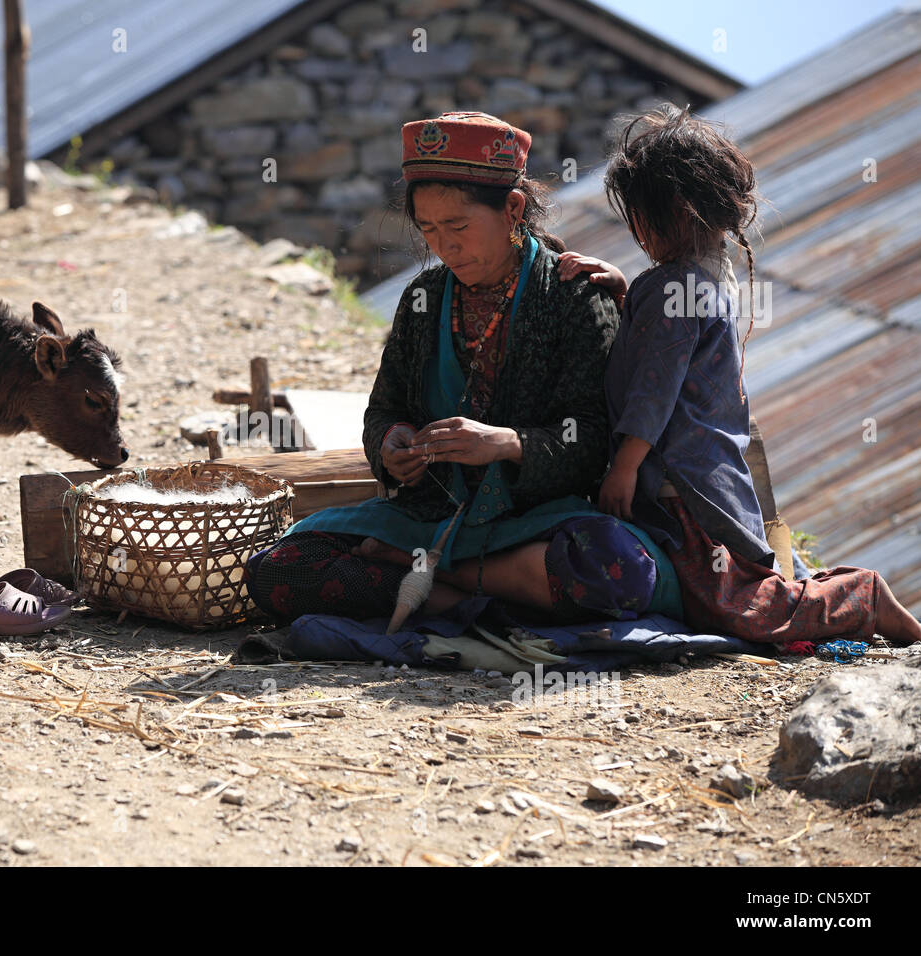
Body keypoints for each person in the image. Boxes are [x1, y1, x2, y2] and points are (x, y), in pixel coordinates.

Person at [245, 112, 684, 627]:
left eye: (458, 226)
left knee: (617, 572)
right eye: (428, 229)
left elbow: (591, 440)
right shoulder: (423, 299)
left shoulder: (574, 296)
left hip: (533, 524)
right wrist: (390, 444)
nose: (444, 246)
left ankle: (430, 585)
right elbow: (383, 409)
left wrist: (507, 444)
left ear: (512, 209)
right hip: (426, 518)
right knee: (278, 569)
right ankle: (478, 602)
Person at [581, 105, 920, 645]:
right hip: (702, 475)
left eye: (639, 215)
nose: (636, 230)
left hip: (683, 486)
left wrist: (624, 466)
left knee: (736, 609)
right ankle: (834, 591)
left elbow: (655, 390)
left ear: (675, 211)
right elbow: (663, 355)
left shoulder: (672, 289)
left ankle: (863, 597)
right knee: (719, 595)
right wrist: (627, 294)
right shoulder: (705, 279)